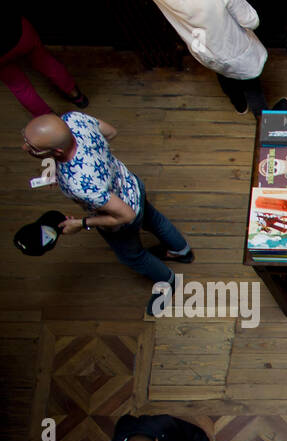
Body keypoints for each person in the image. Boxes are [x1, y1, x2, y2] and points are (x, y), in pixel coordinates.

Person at [22, 112, 193, 313]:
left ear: (58, 150)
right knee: (154, 219)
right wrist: (54, 162)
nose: (24, 147)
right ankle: (182, 251)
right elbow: (111, 132)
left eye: (32, 147)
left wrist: (81, 223)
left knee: (132, 256)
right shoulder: (73, 119)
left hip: (122, 215)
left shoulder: (80, 184)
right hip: (131, 185)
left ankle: (168, 280)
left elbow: (126, 215)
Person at [152, 0, 287, 117]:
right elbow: (251, 21)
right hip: (234, 48)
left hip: (205, 49)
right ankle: (264, 120)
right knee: (251, 85)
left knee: (223, 74)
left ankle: (239, 105)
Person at [0, 16, 87, 116]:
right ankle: (77, 97)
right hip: (20, 34)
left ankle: (50, 119)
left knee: (20, 87)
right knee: (46, 62)